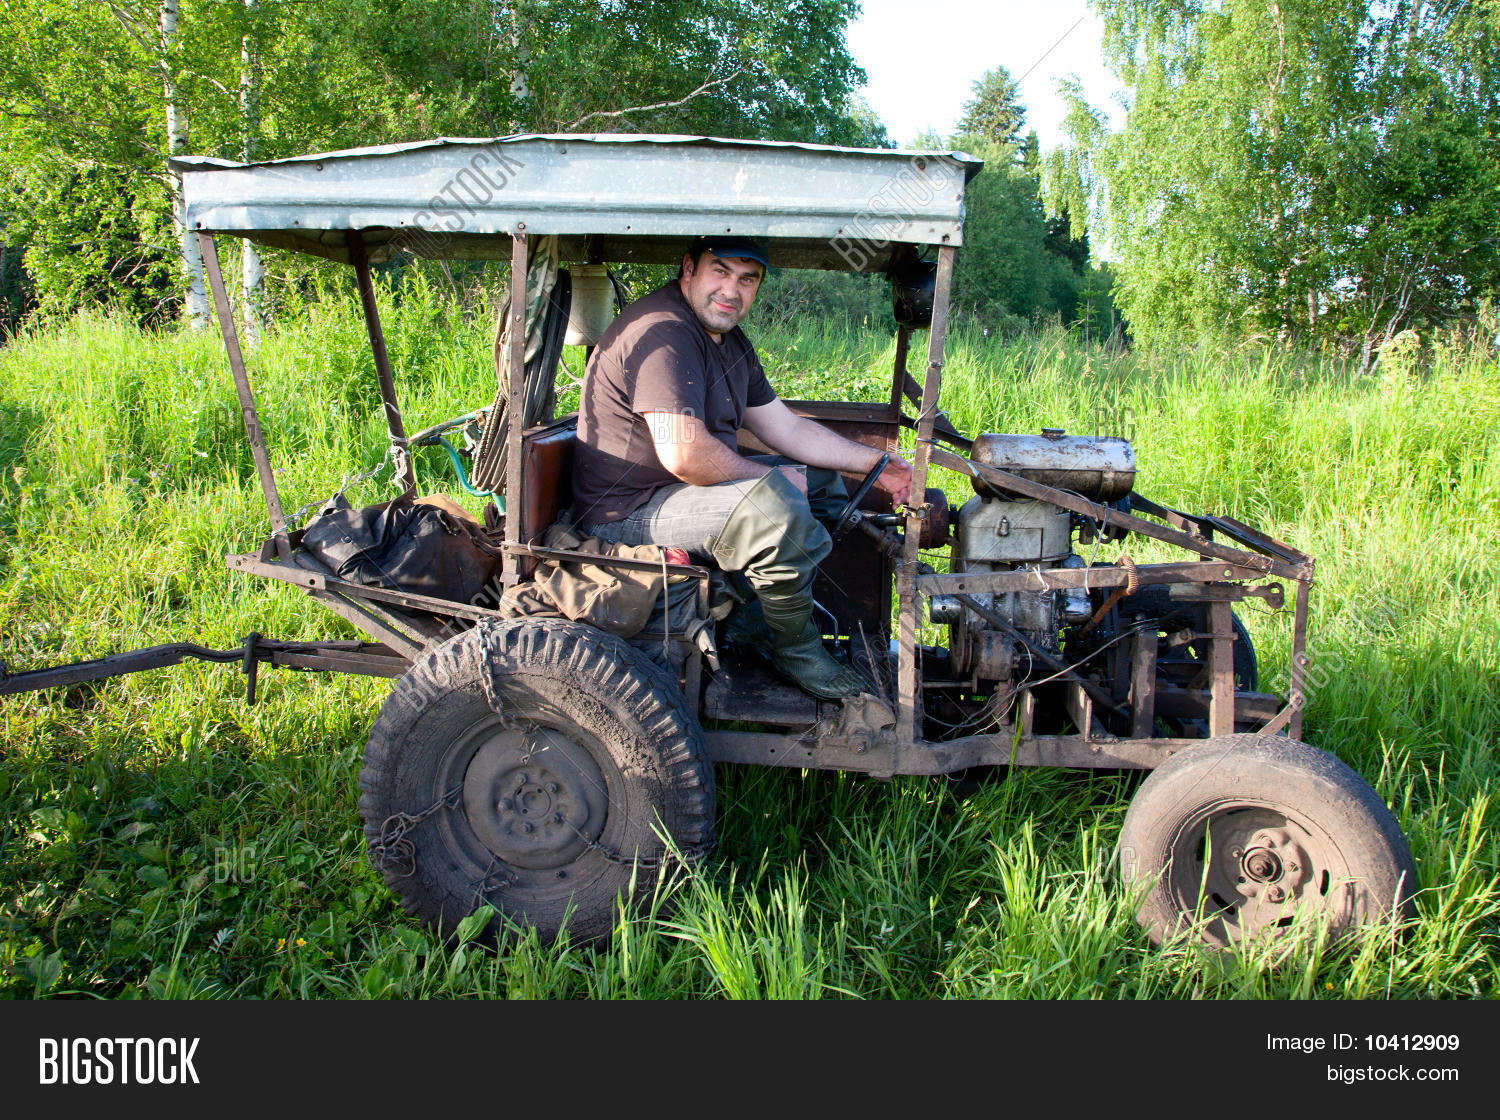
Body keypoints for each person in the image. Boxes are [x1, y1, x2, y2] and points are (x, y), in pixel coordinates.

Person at [571, 235, 912, 700]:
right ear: (689, 269)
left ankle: (761, 615)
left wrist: (878, 464)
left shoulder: (727, 340)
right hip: (626, 515)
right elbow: (684, 454)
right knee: (777, 507)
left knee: (824, 484)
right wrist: (768, 480)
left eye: (747, 279)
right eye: (721, 271)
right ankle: (793, 648)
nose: (732, 290)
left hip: (675, 495)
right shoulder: (665, 331)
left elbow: (786, 430)